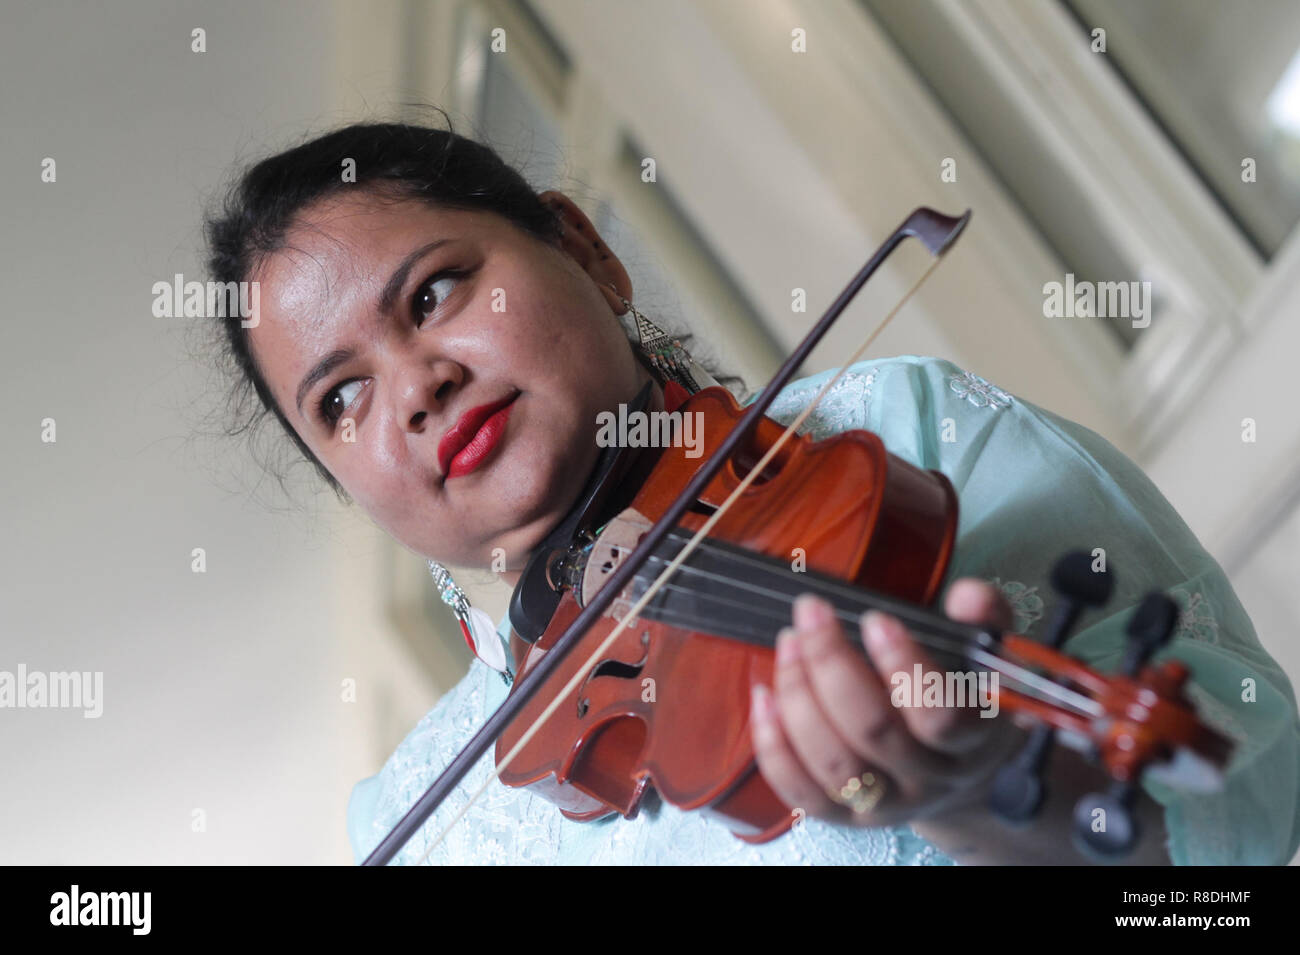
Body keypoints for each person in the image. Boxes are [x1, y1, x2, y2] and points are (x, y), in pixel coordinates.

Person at [204, 118, 1300, 866]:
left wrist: (991, 800)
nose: (415, 388)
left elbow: (1249, 828)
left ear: (586, 251)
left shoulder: (899, 434)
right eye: (339, 402)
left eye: (436, 292)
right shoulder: (412, 818)